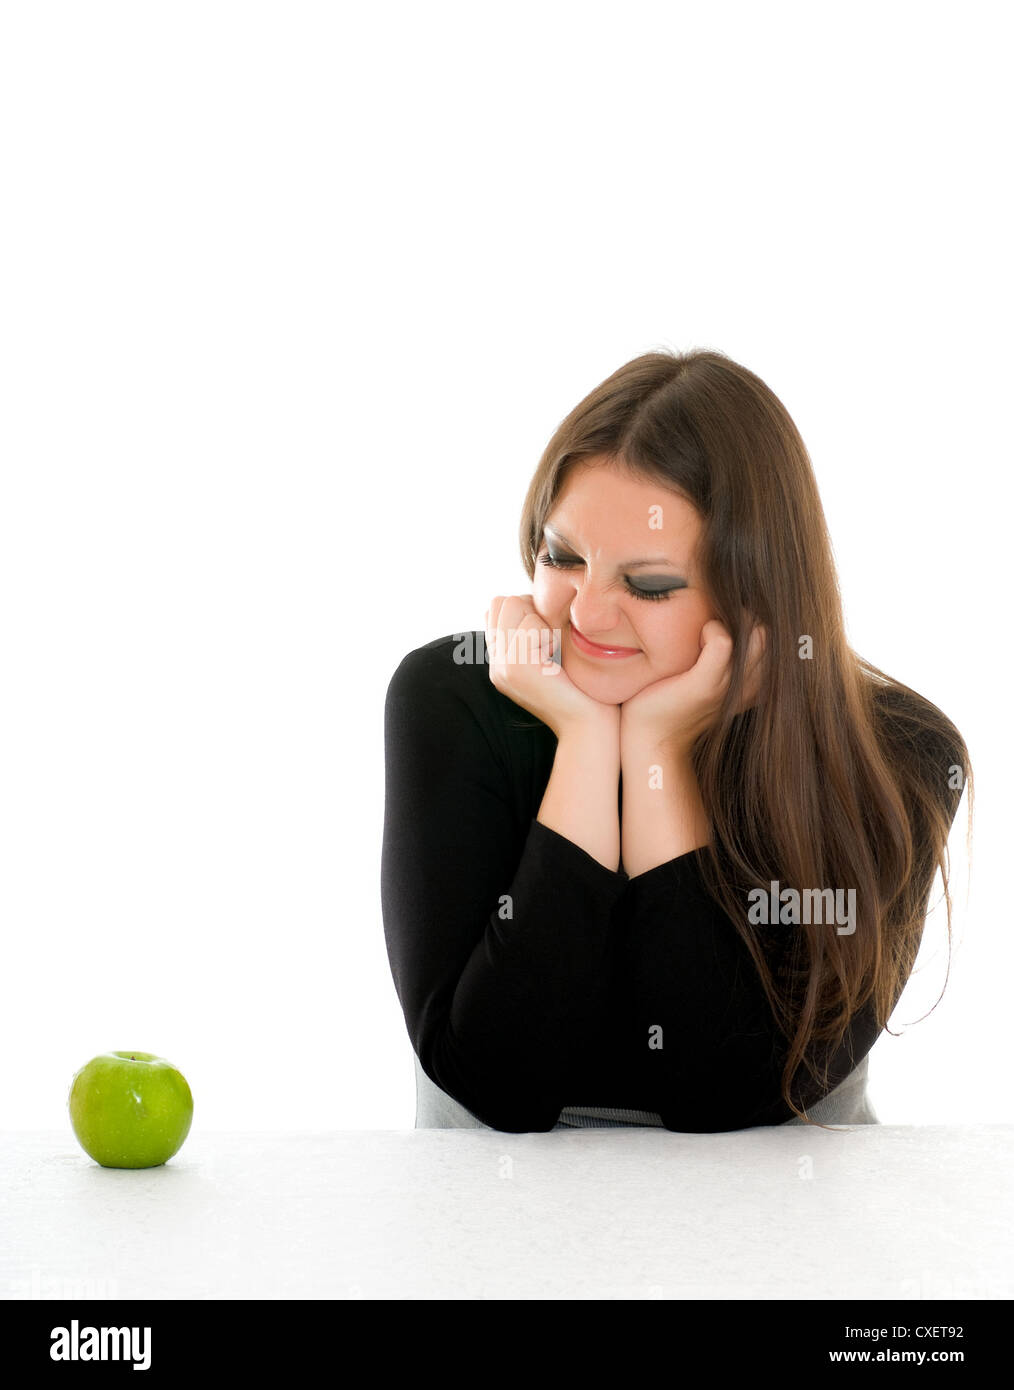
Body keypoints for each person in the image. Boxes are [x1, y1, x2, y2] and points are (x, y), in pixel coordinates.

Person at [381, 347, 972, 1132]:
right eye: (563, 558)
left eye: (648, 584)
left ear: (756, 594)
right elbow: (494, 1086)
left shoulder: (902, 753)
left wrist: (656, 758)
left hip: (789, 1236)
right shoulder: (452, 697)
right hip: (497, 1232)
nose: (585, 615)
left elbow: (723, 1101)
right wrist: (588, 744)